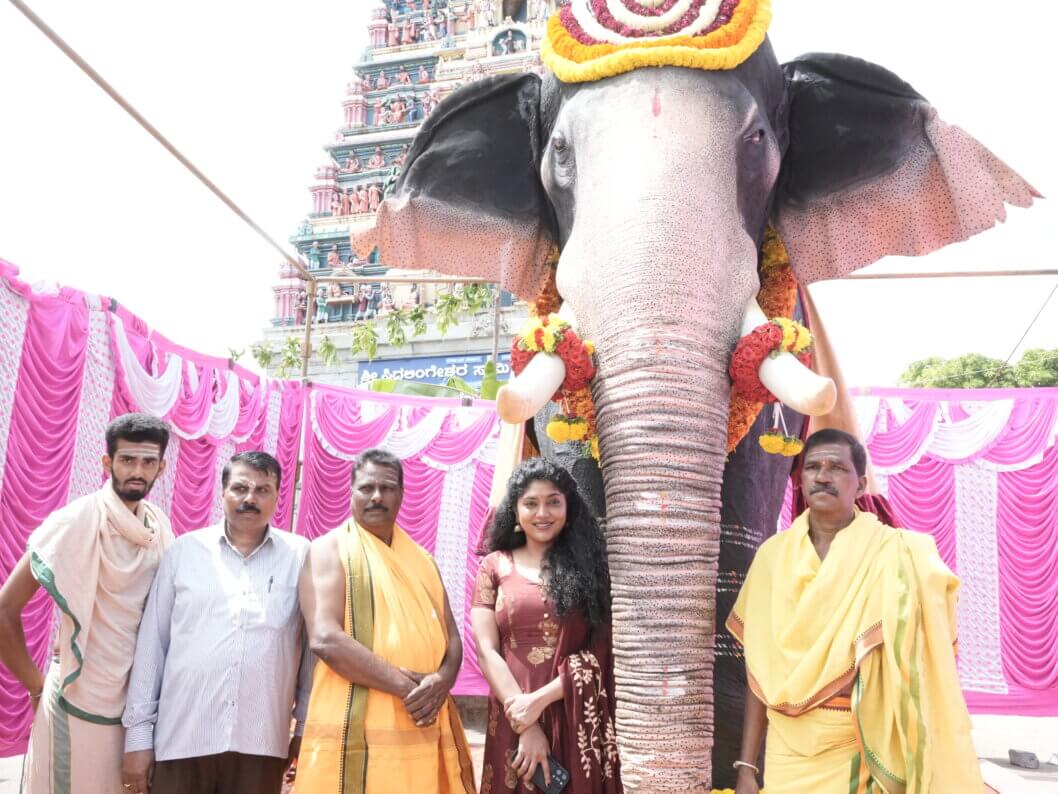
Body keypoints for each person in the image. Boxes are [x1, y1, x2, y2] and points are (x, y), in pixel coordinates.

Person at [727, 429, 984, 793]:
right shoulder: (772, 557)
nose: (822, 475)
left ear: (861, 484)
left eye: (837, 468)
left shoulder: (894, 553)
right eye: (813, 467)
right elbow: (759, 671)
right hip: (787, 752)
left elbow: (926, 643)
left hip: (860, 743)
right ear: (800, 481)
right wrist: (747, 767)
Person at [0, 414, 173, 794]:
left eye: (148, 462)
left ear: (162, 466)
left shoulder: (159, 528)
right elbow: (4, 611)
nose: (137, 471)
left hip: (135, 710)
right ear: (108, 462)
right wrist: (35, 687)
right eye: (128, 460)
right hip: (75, 701)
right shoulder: (76, 521)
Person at [122, 452, 311, 794]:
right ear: (222, 491)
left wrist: (304, 729)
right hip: (182, 738)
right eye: (240, 487)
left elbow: (311, 652)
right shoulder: (184, 552)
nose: (250, 498)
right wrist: (138, 738)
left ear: (277, 497)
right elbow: (153, 647)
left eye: (263, 490)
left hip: (261, 742)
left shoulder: (300, 557)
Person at [296, 448, 476, 793]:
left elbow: (452, 637)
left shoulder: (422, 559)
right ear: (351, 491)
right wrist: (410, 689)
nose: (377, 496)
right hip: (358, 724)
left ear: (402, 495)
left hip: (421, 721)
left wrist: (442, 681)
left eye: (388, 488)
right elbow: (324, 638)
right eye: (366, 488)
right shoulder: (328, 550)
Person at [471, 458, 621, 794]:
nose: (543, 513)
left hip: (571, 716)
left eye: (554, 502)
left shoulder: (591, 571)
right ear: (515, 511)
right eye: (531, 503)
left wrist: (537, 701)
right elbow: (486, 649)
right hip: (511, 714)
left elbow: (600, 653)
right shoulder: (494, 566)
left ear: (569, 508)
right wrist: (524, 722)